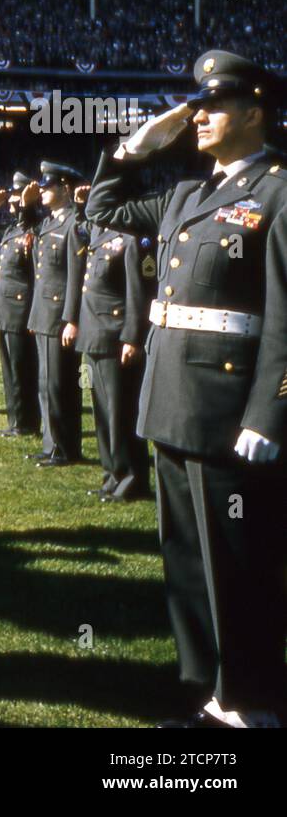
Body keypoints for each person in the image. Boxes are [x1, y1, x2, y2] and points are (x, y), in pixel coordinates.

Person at [86, 49, 287, 728]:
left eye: (214, 105)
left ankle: (251, 698)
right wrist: (134, 147)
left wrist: (270, 408)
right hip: (170, 401)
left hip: (228, 412)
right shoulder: (184, 194)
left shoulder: (278, 191)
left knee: (239, 564)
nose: (198, 116)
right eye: (195, 106)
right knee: (188, 563)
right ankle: (208, 689)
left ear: (255, 112)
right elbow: (103, 209)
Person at [73, 207, 156, 503]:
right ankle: (112, 473)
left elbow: (140, 292)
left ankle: (132, 478)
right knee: (103, 413)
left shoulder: (134, 238)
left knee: (121, 413)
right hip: (94, 335)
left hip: (115, 337)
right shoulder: (100, 234)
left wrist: (133, 337)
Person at [26, 161, 86, 466]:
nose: (43, 191)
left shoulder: (74, 224)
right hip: (44, 313)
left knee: (61, 384)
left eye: (48, 187)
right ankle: (52, 443)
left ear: (65, 189)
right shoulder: (49, 223)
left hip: (59, 316)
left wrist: (71, 318)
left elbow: (76, 276)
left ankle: (66, 447)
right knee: (46, 382)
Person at [0, 171, 41, 438]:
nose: (12, 204)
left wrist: (26, 206)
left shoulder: (36, 228)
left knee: (23, 369)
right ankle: (15, 419)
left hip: (21, 309)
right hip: (4, 309)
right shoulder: (11, 230)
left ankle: (26, 421)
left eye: (17, 199)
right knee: (10, 368)